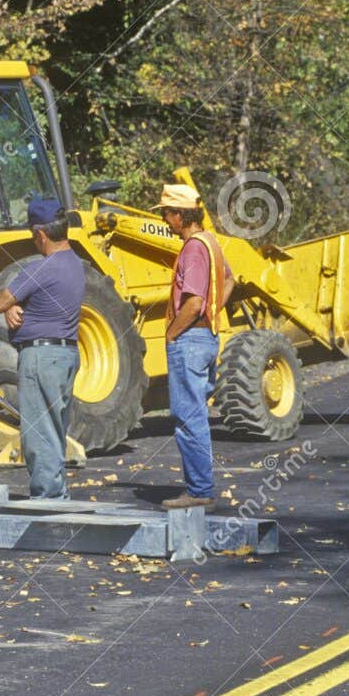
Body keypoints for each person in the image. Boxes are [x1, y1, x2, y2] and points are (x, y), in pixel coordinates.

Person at [0, 198, 83, 500]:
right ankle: (57, 493)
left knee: (38, 432)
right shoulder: (76, 264)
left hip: (40, 357)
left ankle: (48, 498)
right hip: (66, 353)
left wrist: (9, 305)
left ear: (40, 235)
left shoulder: (41, 268)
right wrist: (13, 306)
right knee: (54, 428)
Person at [159, 181, 234, 509]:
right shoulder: (211, 243)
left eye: (166, 214)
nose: (164, 220)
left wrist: (172, 333)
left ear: (180, 214)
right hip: (207, 336)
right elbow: (230, 280)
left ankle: (199, 491)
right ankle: (200, 487)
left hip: (190, 339)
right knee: (196, 413)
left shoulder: (192, 248)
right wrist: (213, 312)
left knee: (188, 415)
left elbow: (192, 302)